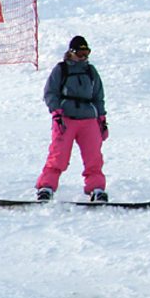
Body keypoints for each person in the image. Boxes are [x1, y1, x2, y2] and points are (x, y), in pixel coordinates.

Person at [35, 36, 108, 201]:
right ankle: (46, 186)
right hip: (66, 120)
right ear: (72, 52)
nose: (84, 57)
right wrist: (56, 112)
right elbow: (50, 92)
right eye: (80, 53)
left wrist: (102, 119)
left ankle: (96, 188)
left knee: (93, 157)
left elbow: (98, 96)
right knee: (58, 155)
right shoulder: (61, 70)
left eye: (86, 53)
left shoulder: (91, 71)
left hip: (89, 120)